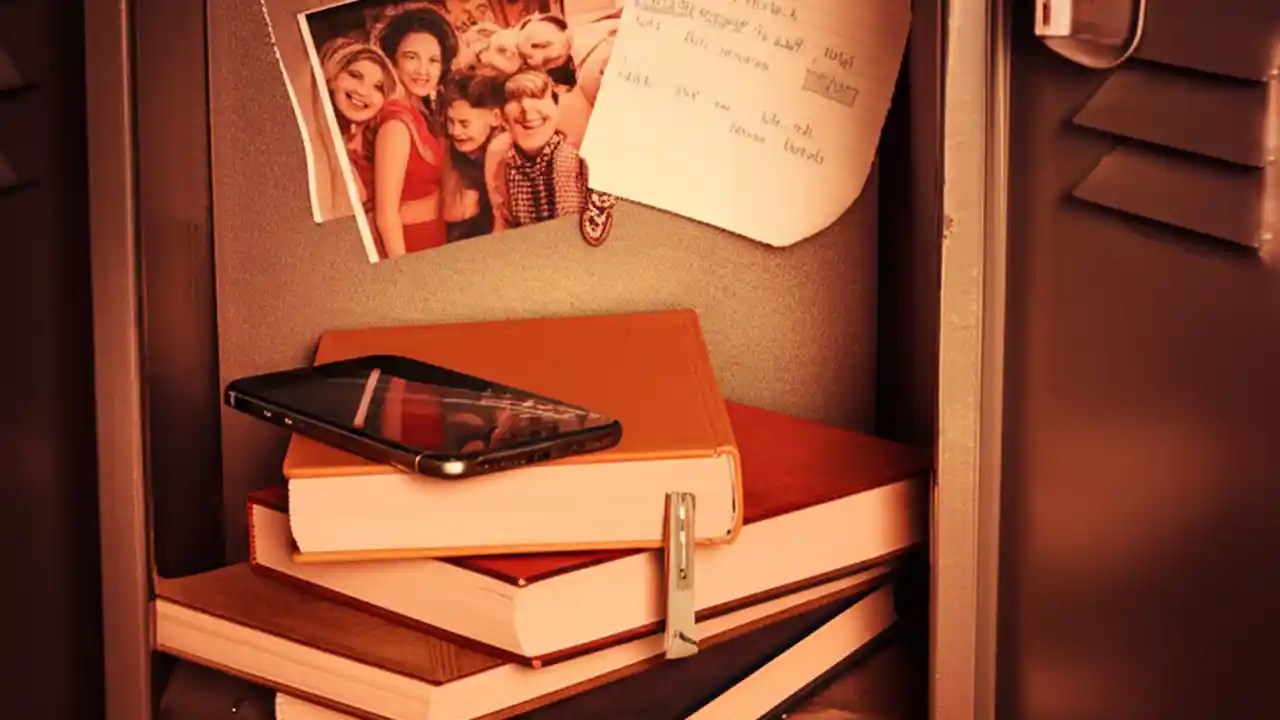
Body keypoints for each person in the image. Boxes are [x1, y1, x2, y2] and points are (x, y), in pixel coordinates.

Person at [371, 8, 458, 258]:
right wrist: (403, 271)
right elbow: (386, 215)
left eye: (433, 60)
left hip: (434, 233)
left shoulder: (422, 111)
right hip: (410, 242)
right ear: (393, 61)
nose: (423, 70)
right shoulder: (396, 124)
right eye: (412, 57)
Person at [491, 69, 587, 228]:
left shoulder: (580, 162)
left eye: (537, 96)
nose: (527, 110)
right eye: (514, 99)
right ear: (503, 118)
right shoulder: (503, 169)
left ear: (556, 107)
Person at [318, 38, 399, 216]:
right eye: (355, 75)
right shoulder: (317, 143)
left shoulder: (378, 145)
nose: (363, 92)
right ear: (332, 78)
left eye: (378, 87)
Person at [441, 73, 505, 241]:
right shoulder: (451, 155)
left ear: (496, 118)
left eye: (464, 124)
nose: (455, 131)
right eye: (450, 121)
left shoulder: (506, 157)